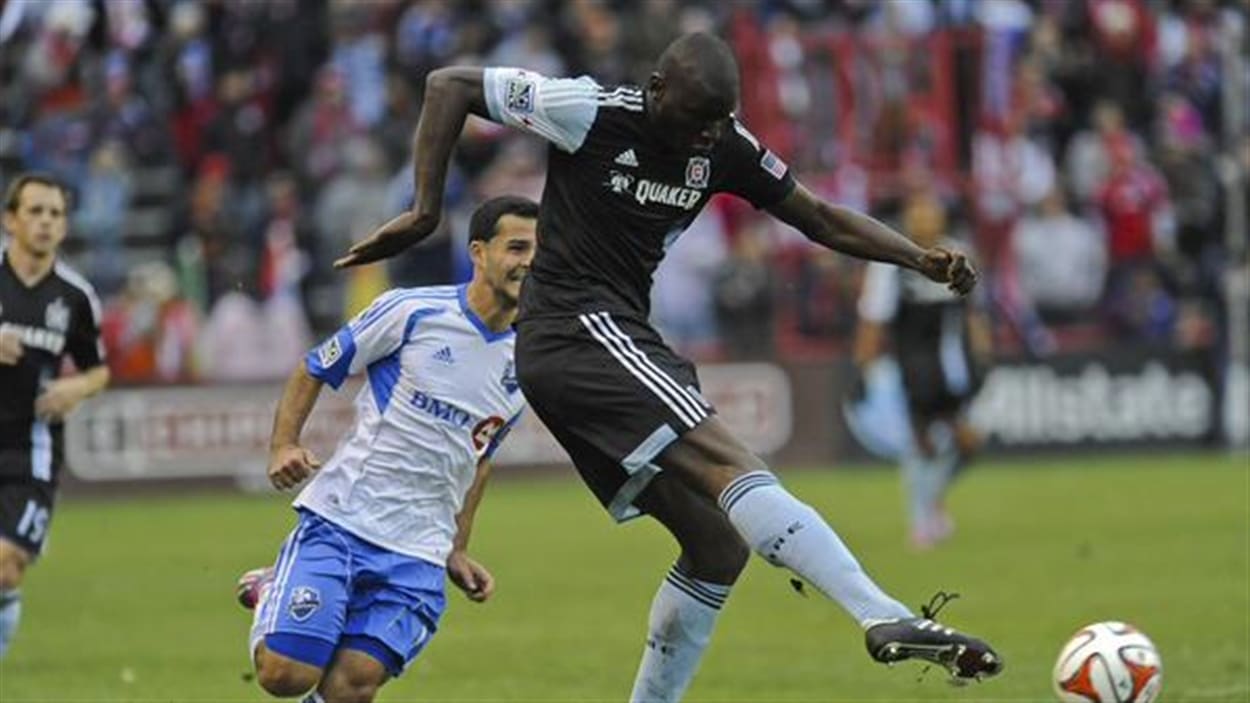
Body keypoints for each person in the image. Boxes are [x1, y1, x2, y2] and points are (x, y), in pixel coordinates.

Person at [335, 33, 1003, 700]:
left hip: (599, 343)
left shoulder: (725, 145)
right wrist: (425, 208)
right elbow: (449, 83)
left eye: (717, 122)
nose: (705, 138)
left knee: (716, 543)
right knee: (731, 463)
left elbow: (819, 217)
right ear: (657, 92)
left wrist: (916, 257)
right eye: (694, 121)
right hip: (578, 330)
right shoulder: (589, 110)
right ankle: (880, 612)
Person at [235, 196, 537, 703]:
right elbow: (316, 366)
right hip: (342, 522)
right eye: (518, 247)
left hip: (418, 551)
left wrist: (457, 549)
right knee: (284, 677)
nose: (531, 261)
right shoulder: (412, 311)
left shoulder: (530, 362)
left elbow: (478, 460)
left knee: (351, 689)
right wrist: (284, 444)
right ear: (479, 253)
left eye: (541, 250)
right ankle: (274, 589)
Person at [0, 173, 110, 657]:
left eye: (55, 214)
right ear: (10, 220)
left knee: (6, 564)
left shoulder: (75, 296)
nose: (45, 222)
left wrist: (75, 387)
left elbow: (98, 370)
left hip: (32, 447)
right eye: (35, 211)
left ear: (64, 228)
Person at [852, 193, 993, 550]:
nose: (925, 220)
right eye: (917, 213)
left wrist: (981, 347)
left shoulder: (959, 254)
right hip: (913, 365)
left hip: (955, 364)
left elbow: (973, 310)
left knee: (969, 441)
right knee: (923, 443)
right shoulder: (890, 262)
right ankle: (921, 523)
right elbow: (874, 317)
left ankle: (932, 502)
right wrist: (867, 362)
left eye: (930, 212)